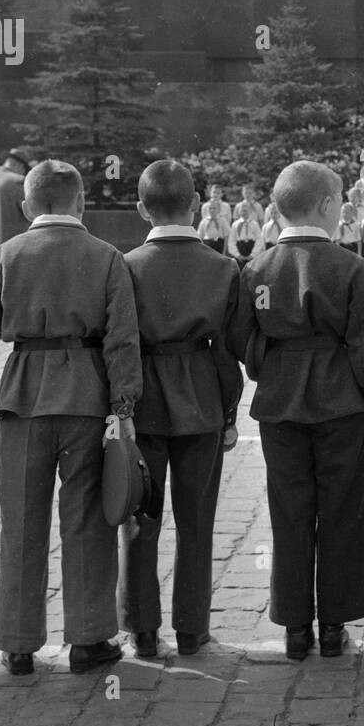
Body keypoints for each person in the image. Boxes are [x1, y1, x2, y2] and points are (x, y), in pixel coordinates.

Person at [0, 159, 142, 677]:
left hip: (24, 392)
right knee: (87, 518)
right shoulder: (107, 256)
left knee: (21, 519)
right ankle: (88, 639)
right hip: (88, 396)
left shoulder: (5, 254)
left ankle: (18, 643)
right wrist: (123, 409)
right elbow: (121, 339)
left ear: (26, 205)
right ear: (81, 200)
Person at [232, 161, 364, 660]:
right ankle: (334, 625)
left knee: (289, 511)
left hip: (279, 401)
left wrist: (270, 365)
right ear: (326, 205)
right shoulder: (349, 266)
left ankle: (295, 627)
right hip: (340, 399)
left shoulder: (255, 267)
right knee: (341, 511)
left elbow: (241, 337)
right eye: (340, 200)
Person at [120, 160, 242, 658]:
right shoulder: (222, 267)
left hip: (143, 398)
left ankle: (141, 629)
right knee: (197, 520)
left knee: (138, 517)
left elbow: (119, 344)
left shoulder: (124, 265)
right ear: (195, 205)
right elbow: (229, 350)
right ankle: (192, 628)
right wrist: (229, 412)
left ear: (140, 208)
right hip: (201, 398)